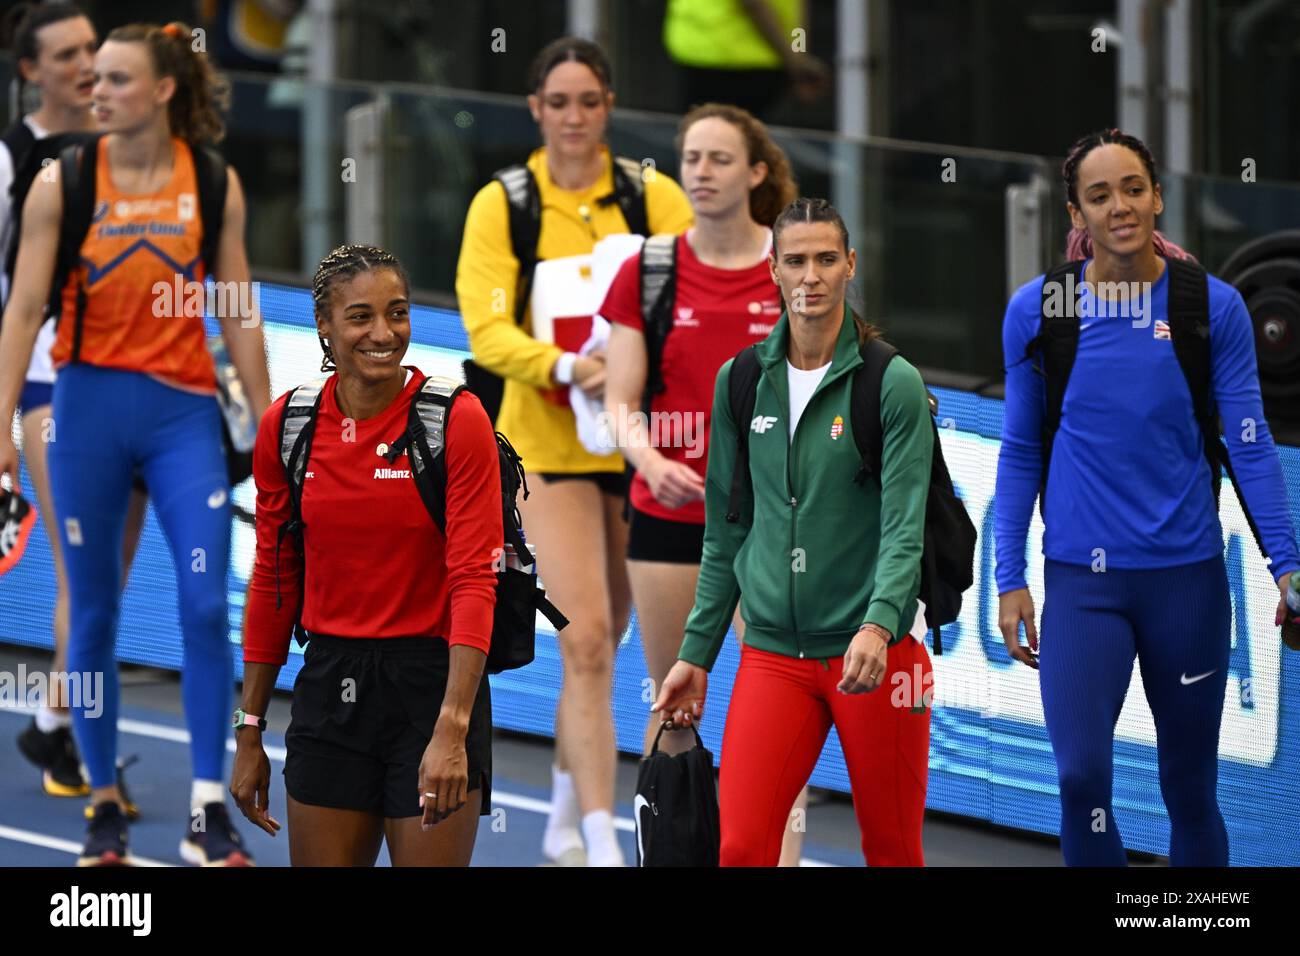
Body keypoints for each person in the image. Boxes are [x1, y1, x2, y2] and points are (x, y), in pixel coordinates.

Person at [0, 20, 272, 866]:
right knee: (93, 616)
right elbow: (21, 310)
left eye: (116, 78)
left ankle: (205, 807)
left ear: (161, 90)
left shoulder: (215, 181)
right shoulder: (63, 180)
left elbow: (238, 304)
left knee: (201, 608)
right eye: (93, 77)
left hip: (184, 416)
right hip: (86, 417)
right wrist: (2, 427)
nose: (96, 89)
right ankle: (102, 802)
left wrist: (271, 423)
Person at [995, 129, 1300, 866]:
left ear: (1157, 197)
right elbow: (1020, 451)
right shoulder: (1040, 312)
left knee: (1189, 790)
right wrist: (1009, 577)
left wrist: (1288, 566)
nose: (1120, 206)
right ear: (1077, 214)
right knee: (1080, 781)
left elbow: (1251, 442)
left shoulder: (1213, 309)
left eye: (1134, 188)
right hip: (1082, 586)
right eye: (1099, 195)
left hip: (1187, 588)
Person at [456, 36, 692, 866]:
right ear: (535, 110)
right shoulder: (504, 203)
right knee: (586, 638)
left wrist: (630, 370)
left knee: (614, 635)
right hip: (546, 449)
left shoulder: (649, 195)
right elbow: (486, 327)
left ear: (609, 107)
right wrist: (568, 366)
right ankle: (600, 839)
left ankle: (565, 793)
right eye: (558, 103)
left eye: (589, 102)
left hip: (634, 449)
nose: (574, 118)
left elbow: (691, 285)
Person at [653, 197, 935, 867]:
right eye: (796, 261)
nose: (811, 276)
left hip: (880, 657)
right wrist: (695, 655)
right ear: (773, 270)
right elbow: (727, 533)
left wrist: (878, 624)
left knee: (893, 851)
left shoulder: (890, 383)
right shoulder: (741, 381)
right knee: (743, 848)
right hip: (773, 656)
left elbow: (904, 529)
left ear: (850, 267)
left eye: (826, 260)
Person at [230, 245, 500, 867]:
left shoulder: (455, 421)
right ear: (324, 326)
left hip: (433, 688)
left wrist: (453, 728)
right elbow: (273, 579)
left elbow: (473, 579)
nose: (383, 333)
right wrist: (250, 730)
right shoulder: (288, 426)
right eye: (360, 317)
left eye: (397, 313)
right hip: (331, 685)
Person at [601, 102, 813, 865]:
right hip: (668, 516)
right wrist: (649, 460)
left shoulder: (793, 266)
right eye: (690, 158)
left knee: (775, 719)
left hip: (775, 527)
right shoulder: (650, 269)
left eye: (720, 158)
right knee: (673, 702)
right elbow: (620, 400)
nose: (701, 172)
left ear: (756, 171)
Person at [1, 0, 149, 807]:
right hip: (50, 385)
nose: (85, 64)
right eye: (65, 55)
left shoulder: (128, 147)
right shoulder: (11, 159)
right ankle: (83, 753)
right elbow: (11, 302)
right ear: (30, 70)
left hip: (132, 376)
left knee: (107, 580)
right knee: (84, 576)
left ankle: (56, 722)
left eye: (93, 48)